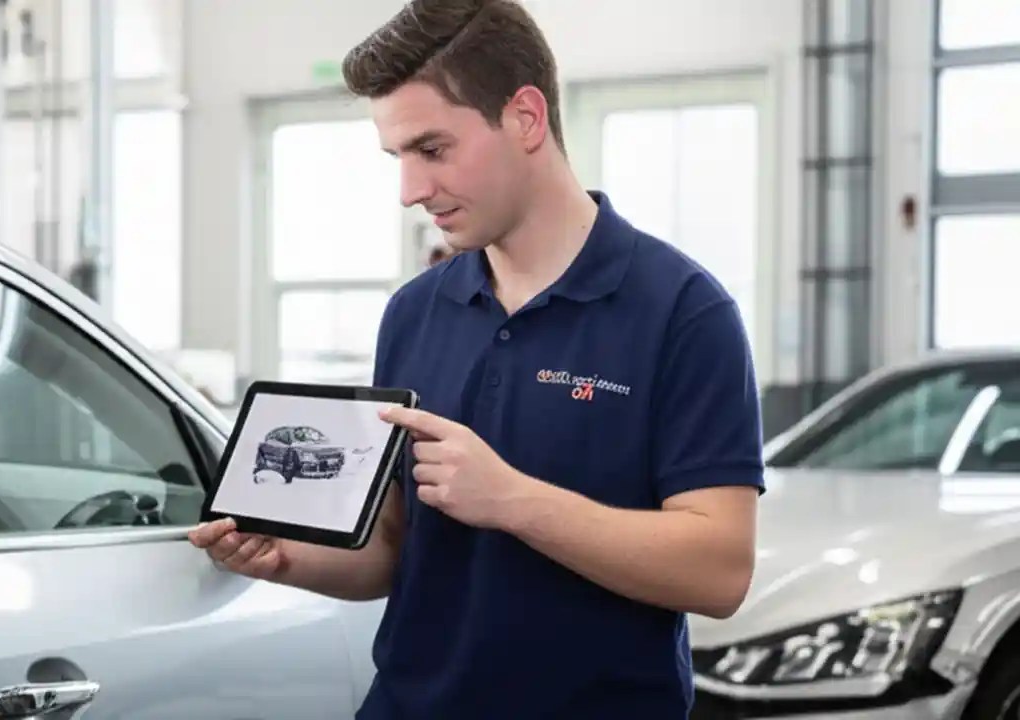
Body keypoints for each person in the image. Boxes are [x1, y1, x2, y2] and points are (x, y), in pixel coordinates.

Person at [189, 0, 764, 717]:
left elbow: (719, 573)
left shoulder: (684, 312)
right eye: (398, 159)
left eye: (432, 150)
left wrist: (513, 501)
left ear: (525, 118)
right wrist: (288, 559)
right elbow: (395, 546)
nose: (410, 192)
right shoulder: (414, 312)